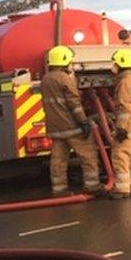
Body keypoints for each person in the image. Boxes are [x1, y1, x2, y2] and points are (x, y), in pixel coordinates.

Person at [43, 45, 100, 196]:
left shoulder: (46, 79)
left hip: (56, 128)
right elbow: (74, 105)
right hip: (72, 126)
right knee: (88, 155)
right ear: (65, 61)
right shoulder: (65, 79)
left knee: (58, 160)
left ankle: (59, 189)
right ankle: (92, 186)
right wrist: (83, 122)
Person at [109, 47, 131, 200]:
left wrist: (121, 128)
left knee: (120, 155)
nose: (113, 67)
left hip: (127, 128)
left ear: (120, 65)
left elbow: (124, 108)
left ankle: (122, 189)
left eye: (115, 64)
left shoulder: (124, 83)